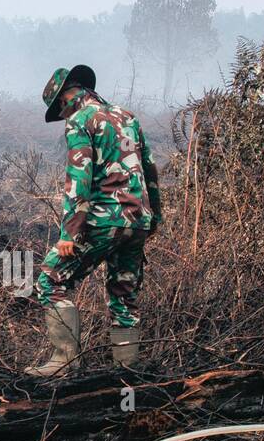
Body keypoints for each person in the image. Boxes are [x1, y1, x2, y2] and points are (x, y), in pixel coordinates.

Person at [26, 64, 162, 375]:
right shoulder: (127, 118)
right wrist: (152, 219)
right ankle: (126, 373)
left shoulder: (79, 121)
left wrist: (70, 234)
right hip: (137, 222)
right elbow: (149, 171)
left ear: (65, 101)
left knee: (50, 281)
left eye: (59, 112)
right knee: (124, 295)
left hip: (103, 220)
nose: (62, 118)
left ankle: (64, 363)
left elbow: (79, 178)